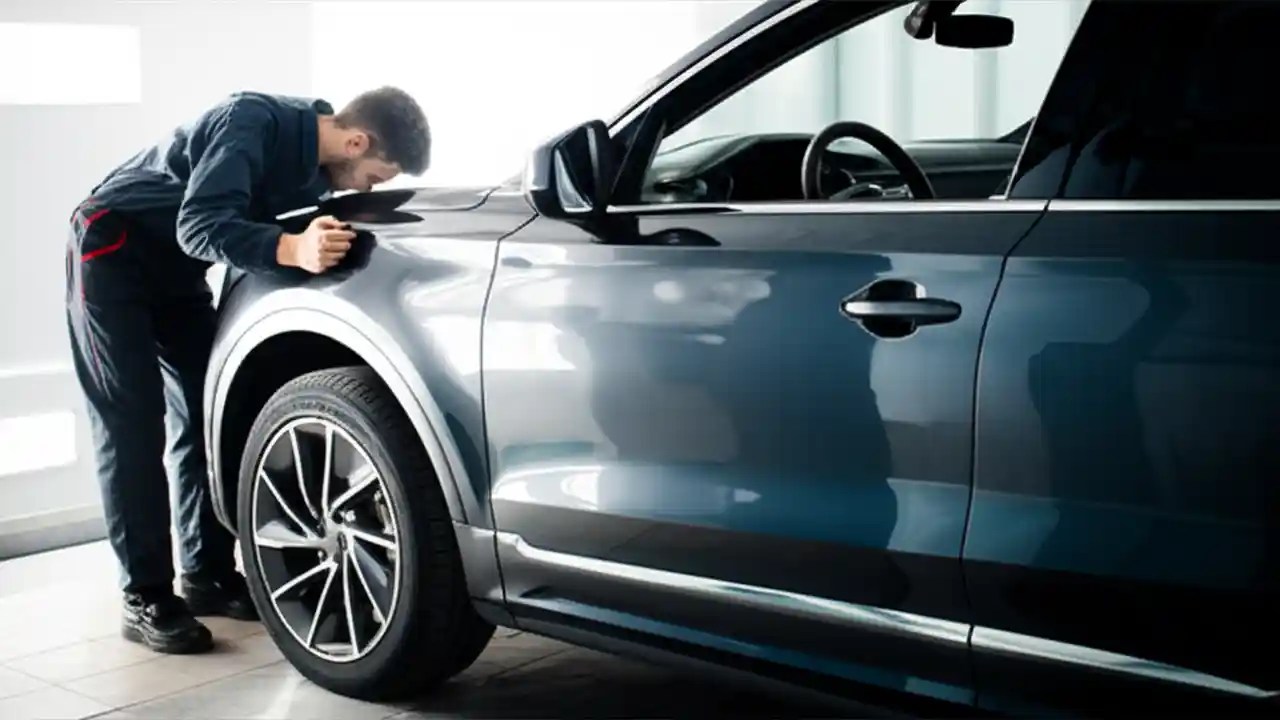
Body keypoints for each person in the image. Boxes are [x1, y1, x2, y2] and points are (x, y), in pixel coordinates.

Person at [65, 87, 430, 654]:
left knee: (205, 414)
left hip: (179, 270)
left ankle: (206, 575)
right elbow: (198, 225)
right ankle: (145, 596)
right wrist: (292, 249)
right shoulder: (251, 120)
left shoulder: (317, 177)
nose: (365, 190)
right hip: (112, 246)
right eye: (375, 178)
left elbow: (219, 242)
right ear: (357, 142)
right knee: (132, 425)